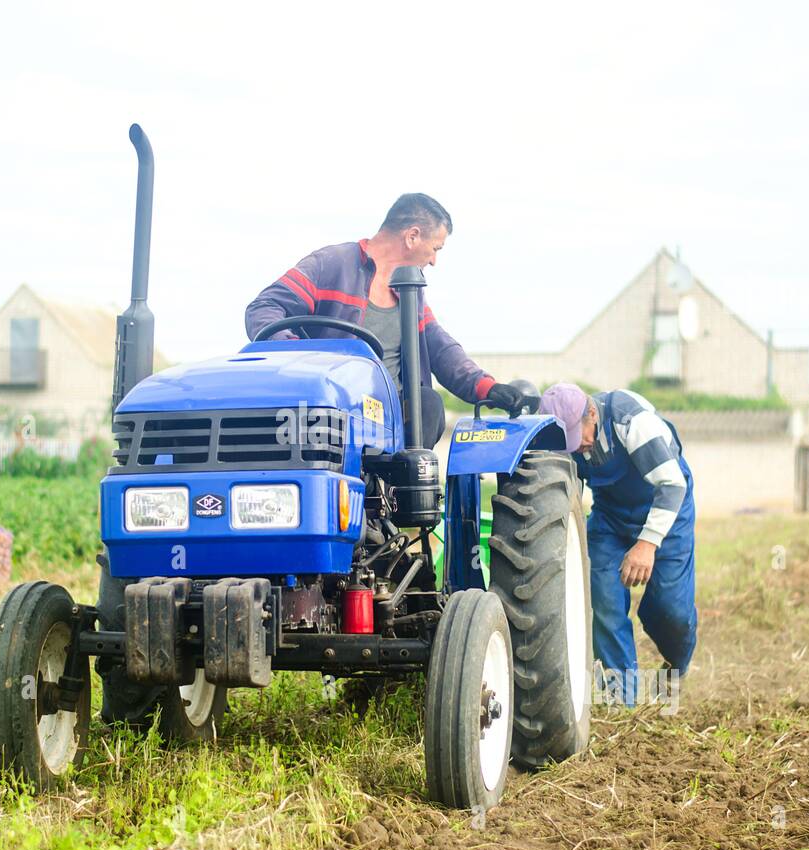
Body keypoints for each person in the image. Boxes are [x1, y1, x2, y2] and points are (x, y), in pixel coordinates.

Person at [244, 193, 533, 422]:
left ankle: (405, 495)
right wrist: (304, 360)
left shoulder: (410, 293)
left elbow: (440, 348)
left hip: (390, 413)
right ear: (412, 236)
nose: (434, 261)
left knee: (428, 405)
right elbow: (264, 308)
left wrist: (487, 388)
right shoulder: (331, 265)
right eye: (435, 249)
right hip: (334, 406)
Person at [538, 383, 697, 706]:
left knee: (672, 611)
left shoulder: (632, 421)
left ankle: (675, 668)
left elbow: (671, 484)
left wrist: (647, 544)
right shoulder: (569, 442)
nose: (578, 447)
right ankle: (620, 701)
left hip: (667, 507)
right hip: (610, 517)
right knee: (606, 604)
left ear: (592, 413)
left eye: (578, 435)